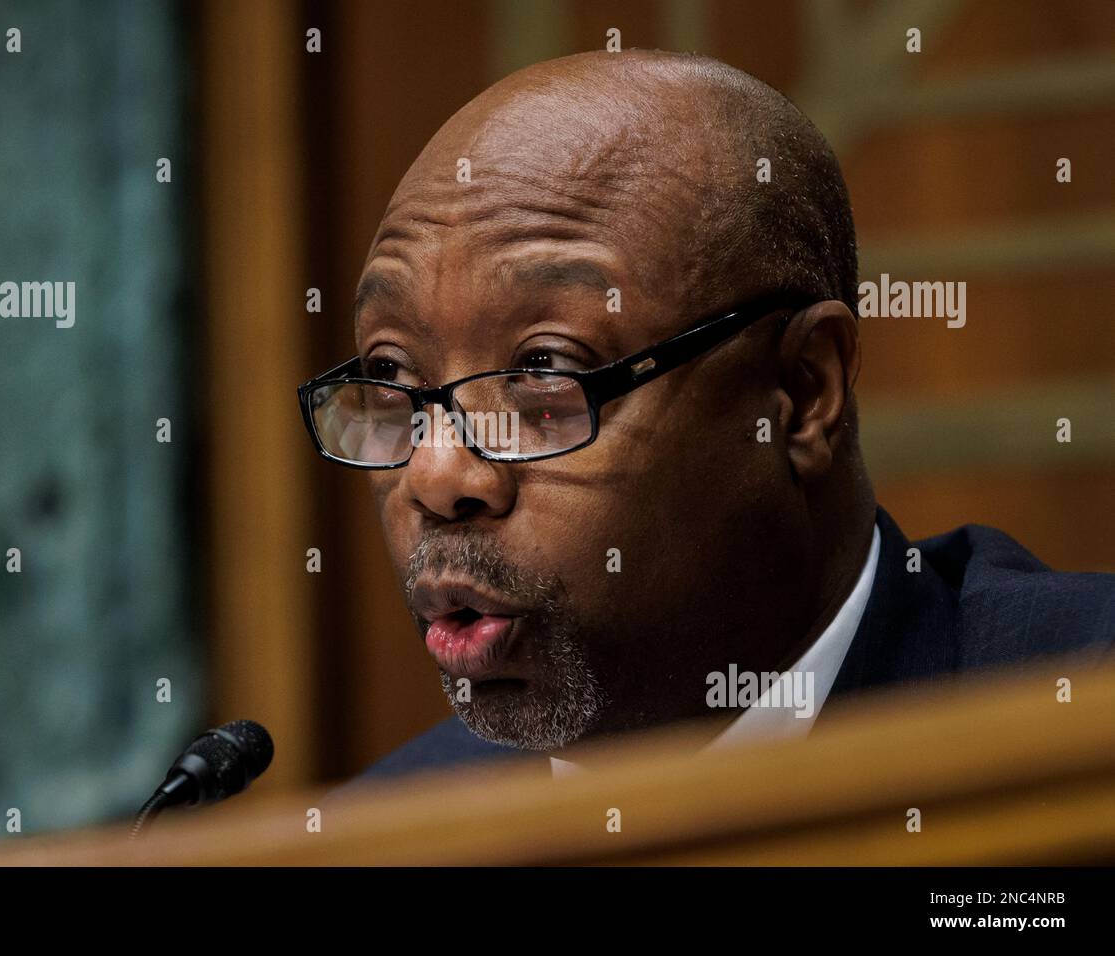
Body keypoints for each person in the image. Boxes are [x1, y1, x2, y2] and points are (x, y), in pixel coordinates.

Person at [297, 50, 1115, 783]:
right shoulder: (396, 832)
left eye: (544, 372)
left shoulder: (1079, 720)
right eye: (391, 374)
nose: (435, 476)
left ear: (802, 393)